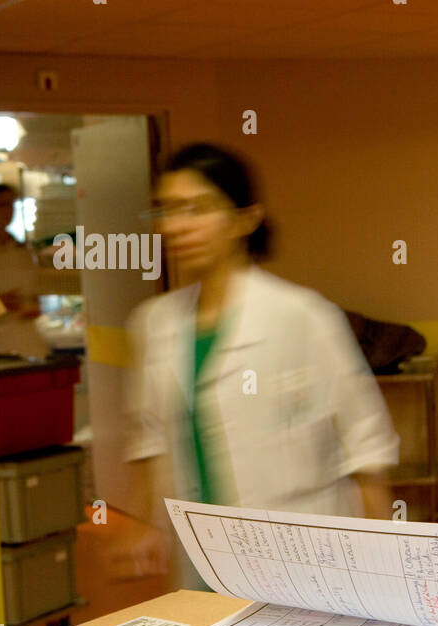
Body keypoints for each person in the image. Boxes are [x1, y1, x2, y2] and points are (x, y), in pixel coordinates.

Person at [121, 143, 399, 588]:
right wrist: (144, 523)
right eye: (167, 210)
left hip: (302, 552)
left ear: (244, 219)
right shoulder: (155, 324)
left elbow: (365, 445)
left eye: (197, 208)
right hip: (200, 554)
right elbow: (149, 438)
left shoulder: (303, 316)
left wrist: (383, 566)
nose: (177, 226)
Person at [0, 183, 52, 359]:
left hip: (23, 334)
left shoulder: (21, 249)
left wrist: (32, 303)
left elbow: (34, 289)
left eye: (12, 205)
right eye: (3, 205)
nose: (8, 211)